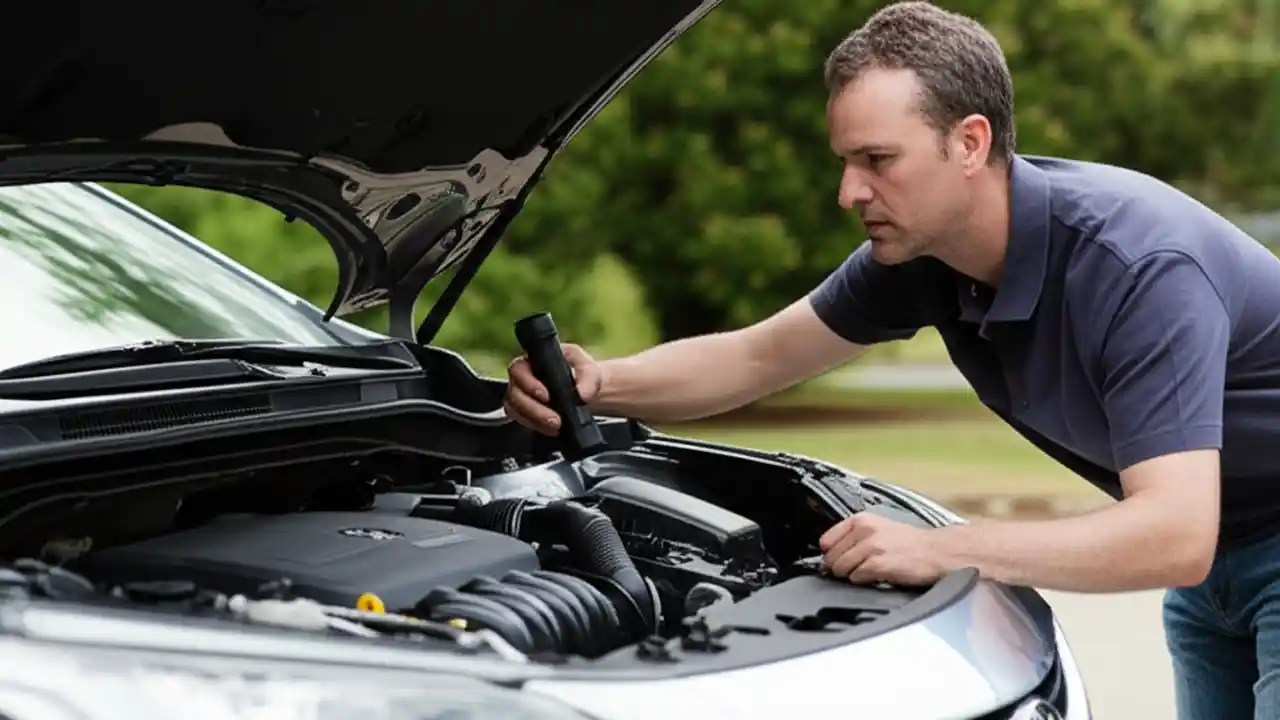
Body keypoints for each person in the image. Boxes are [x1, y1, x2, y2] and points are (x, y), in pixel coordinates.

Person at [502, 2, 1280, 716]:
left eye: (878, 159)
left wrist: (944, 547)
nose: (849, 191)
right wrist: (601, 383)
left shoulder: (1136, 267)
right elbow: (755, 357)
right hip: (1215, 573)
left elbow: (1175, 531)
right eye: (845, 160)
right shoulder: (922, 259)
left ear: (970, 143)